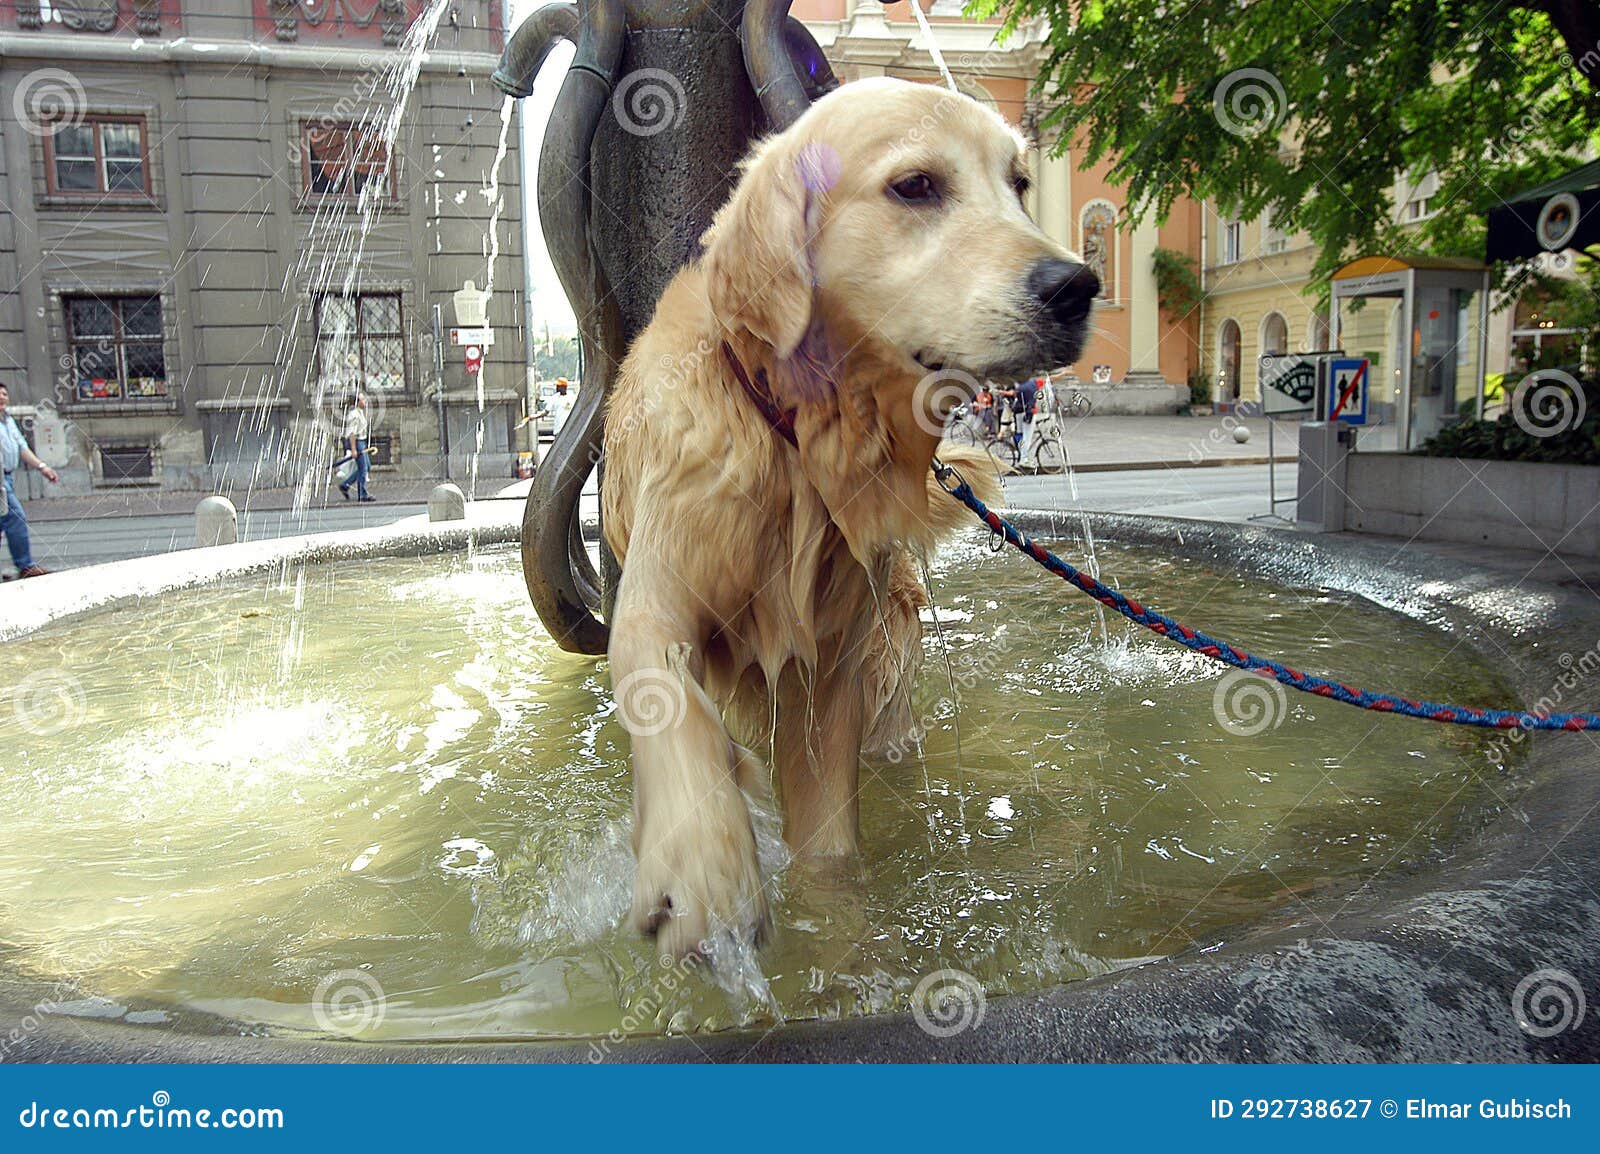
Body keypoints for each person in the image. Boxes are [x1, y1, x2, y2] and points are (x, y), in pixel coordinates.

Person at [0, 380, 59, 579]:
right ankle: (25, 566)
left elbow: (21, 448)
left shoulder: (8, 420)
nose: (1, 398)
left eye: (4, 394)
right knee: (15, 516)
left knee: (2, 522)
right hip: (0, 482)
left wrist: (43, 467)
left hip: (7, 477)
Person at [337, 391, 374, 503]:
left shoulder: (360, 413)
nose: (365, 401)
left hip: (361, 441)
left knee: (366, 466)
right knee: (363, 469)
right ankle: (362, 494)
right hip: (357, 442)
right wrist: (354, 449)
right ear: (357, 402)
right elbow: (352, 433)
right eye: (363, 399)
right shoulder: (354, 415)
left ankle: (345, 485)